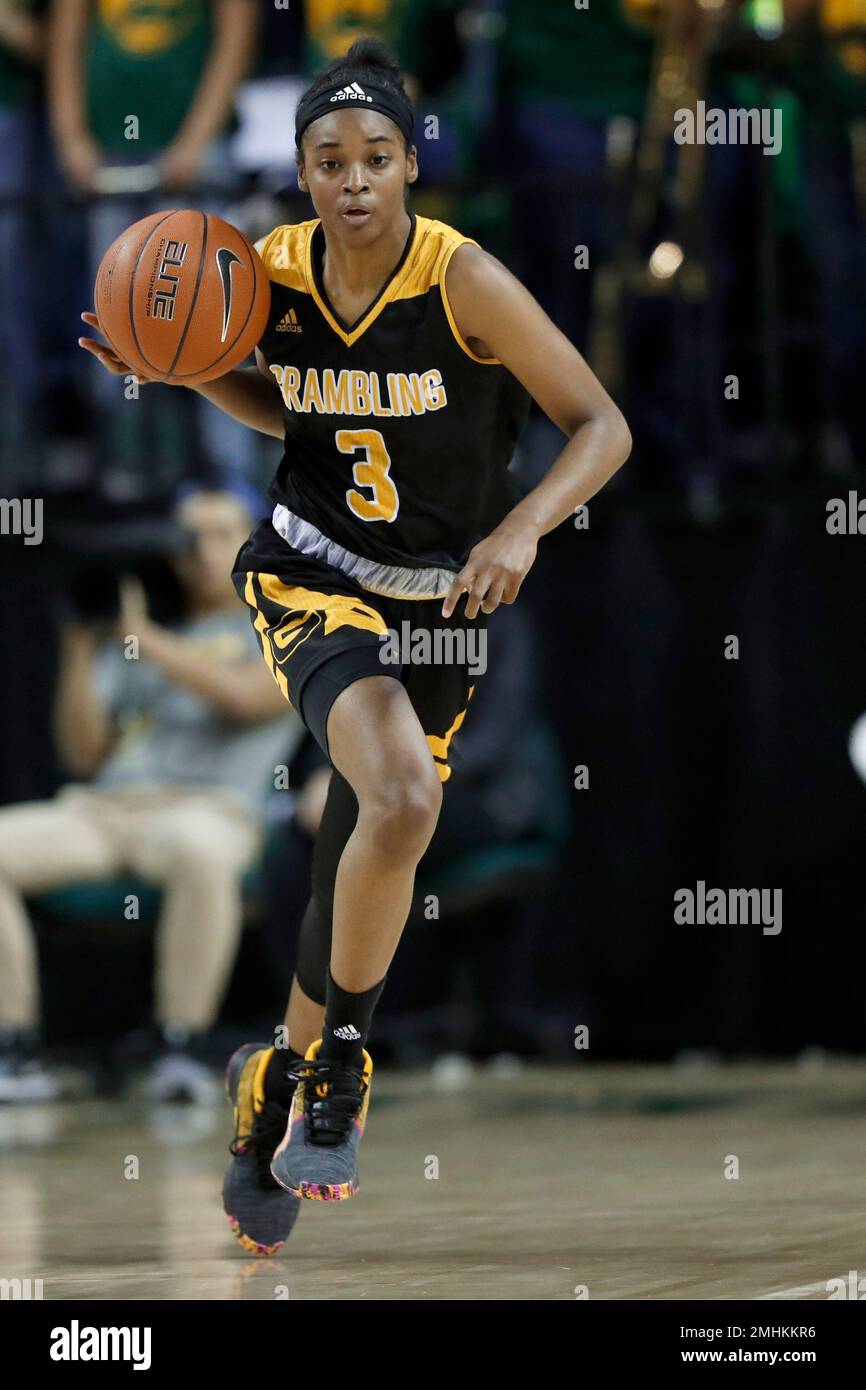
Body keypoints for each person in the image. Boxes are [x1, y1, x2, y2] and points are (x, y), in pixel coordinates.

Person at [78, 38, 631, 1256]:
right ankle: (342, 1072)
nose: (352, 179)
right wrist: (183, 366)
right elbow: (284, 407)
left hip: (443, 598)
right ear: (302, 173)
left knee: (364, 841)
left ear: (407, 164)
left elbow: (600, 423)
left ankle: (273, 1080)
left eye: (374, 156)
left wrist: (526, 528)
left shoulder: (463, 279)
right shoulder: (266, 270)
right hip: (311, 573)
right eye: (328, 161)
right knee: (401, 789)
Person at [0, 487, 298, 1104]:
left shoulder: (286, 622)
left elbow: (246, 699)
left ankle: (179, 1046)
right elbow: (82, 756)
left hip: (209, 810)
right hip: (106, 811)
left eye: (220, 534)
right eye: (188, 538)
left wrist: (143, 637)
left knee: (198, 850)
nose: (201, 552)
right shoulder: (138, 634)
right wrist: (80, 650)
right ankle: (16, 1048)